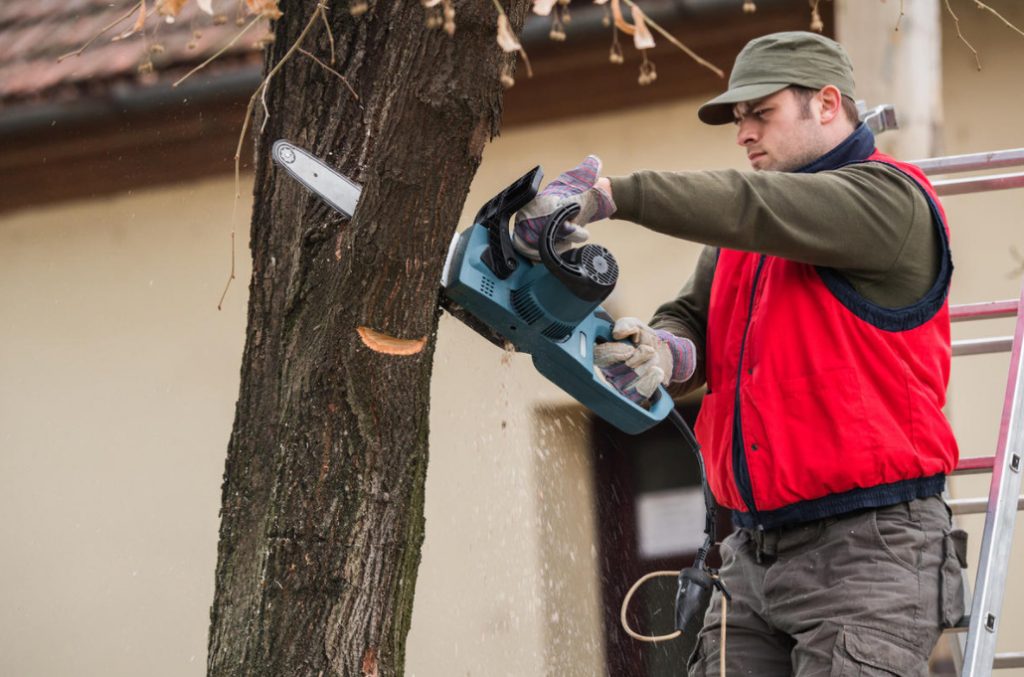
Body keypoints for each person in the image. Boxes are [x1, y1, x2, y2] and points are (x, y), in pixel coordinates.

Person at [513, 31, 968, 676]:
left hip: (872, 553)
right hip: (752, 555)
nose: (744, 133)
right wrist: (671, 350)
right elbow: (693, 314)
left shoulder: (889, 202)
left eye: (762, 113)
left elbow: (752, 206)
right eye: (737, 119)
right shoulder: (747, 236)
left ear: (828, 104)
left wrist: (615, 195)